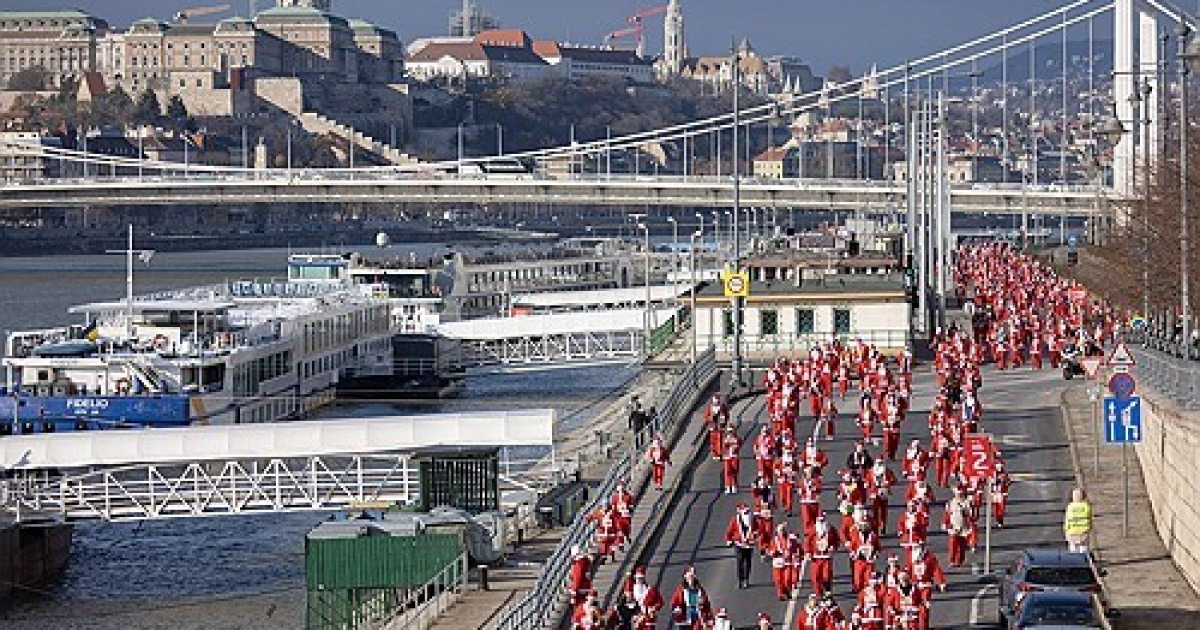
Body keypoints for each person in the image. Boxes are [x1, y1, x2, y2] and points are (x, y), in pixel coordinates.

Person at [725, 502, 757, 589]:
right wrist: (729, 540)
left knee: (748, 562)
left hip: (749, 544)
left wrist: (754, 535)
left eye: (747, 511)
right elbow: (729, 531)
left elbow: (757, 529)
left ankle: (746, 579)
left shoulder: (752, 519)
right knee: (740, 562)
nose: (747, 513)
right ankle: (740, 580)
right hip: (739, 544)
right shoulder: (735, 520)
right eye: (745, 512)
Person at [1064, 487, 1093, 553]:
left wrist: (1066, 530)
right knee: (1083, 547)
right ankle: (1083, 556)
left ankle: (1074, 557)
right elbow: (1089, 518)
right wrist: (1089, 528)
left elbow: (1067, 519)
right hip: (1083, 531)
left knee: (1073, 548)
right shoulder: (1086, 506)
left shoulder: (1070, 506)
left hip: (1072, 531)